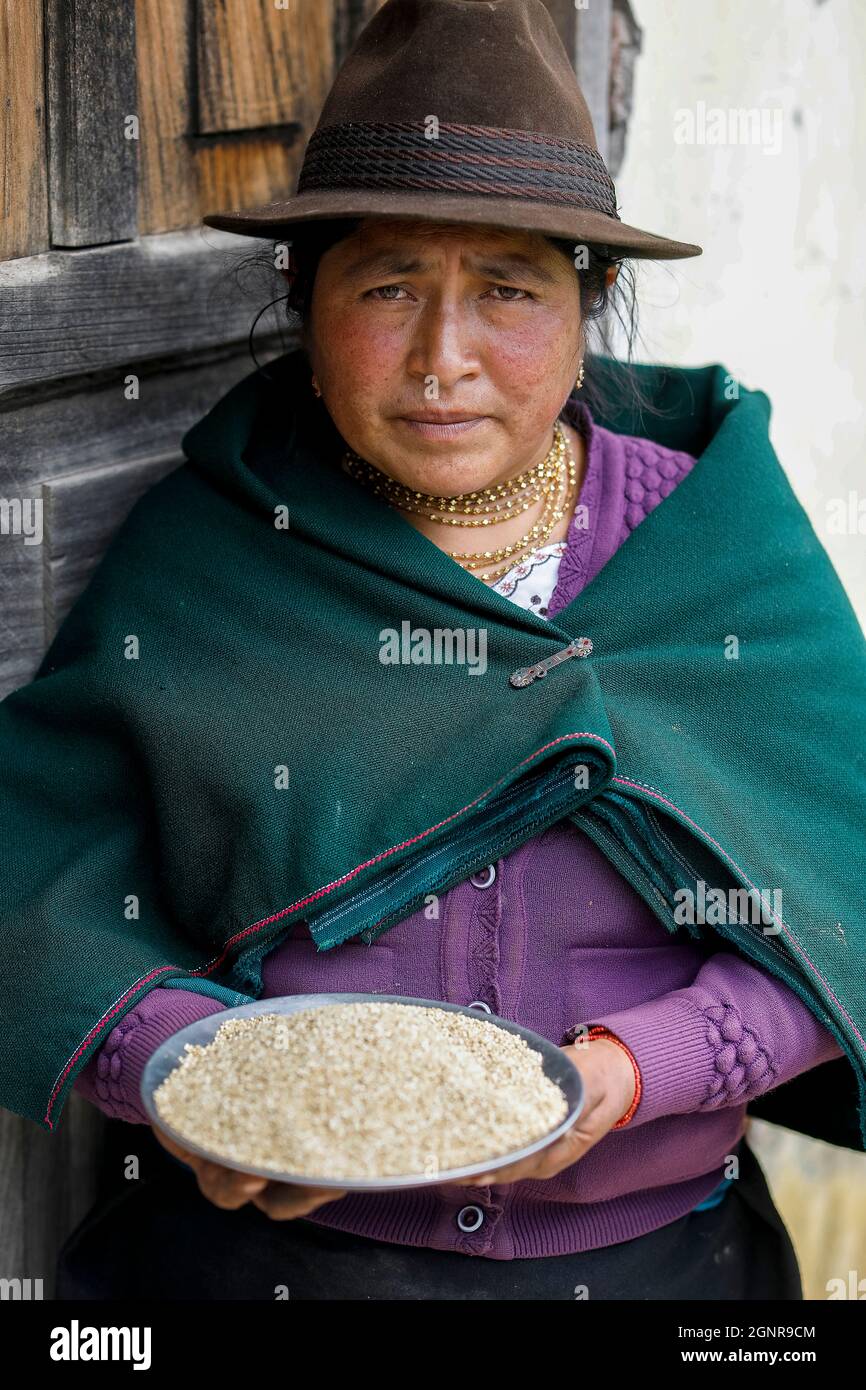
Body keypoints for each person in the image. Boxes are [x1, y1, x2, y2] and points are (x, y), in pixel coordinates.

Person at [48, 0, 856, 1301]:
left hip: (658, 1262)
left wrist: (635, 1069)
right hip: (263, 1263)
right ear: (302, 304)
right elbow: (38, 881)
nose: (442, 358)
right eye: (385, 284)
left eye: (507, 289)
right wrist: (188, 1067)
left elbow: (842, 910)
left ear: (589, 306)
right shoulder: (212, 556)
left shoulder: (715, 552)